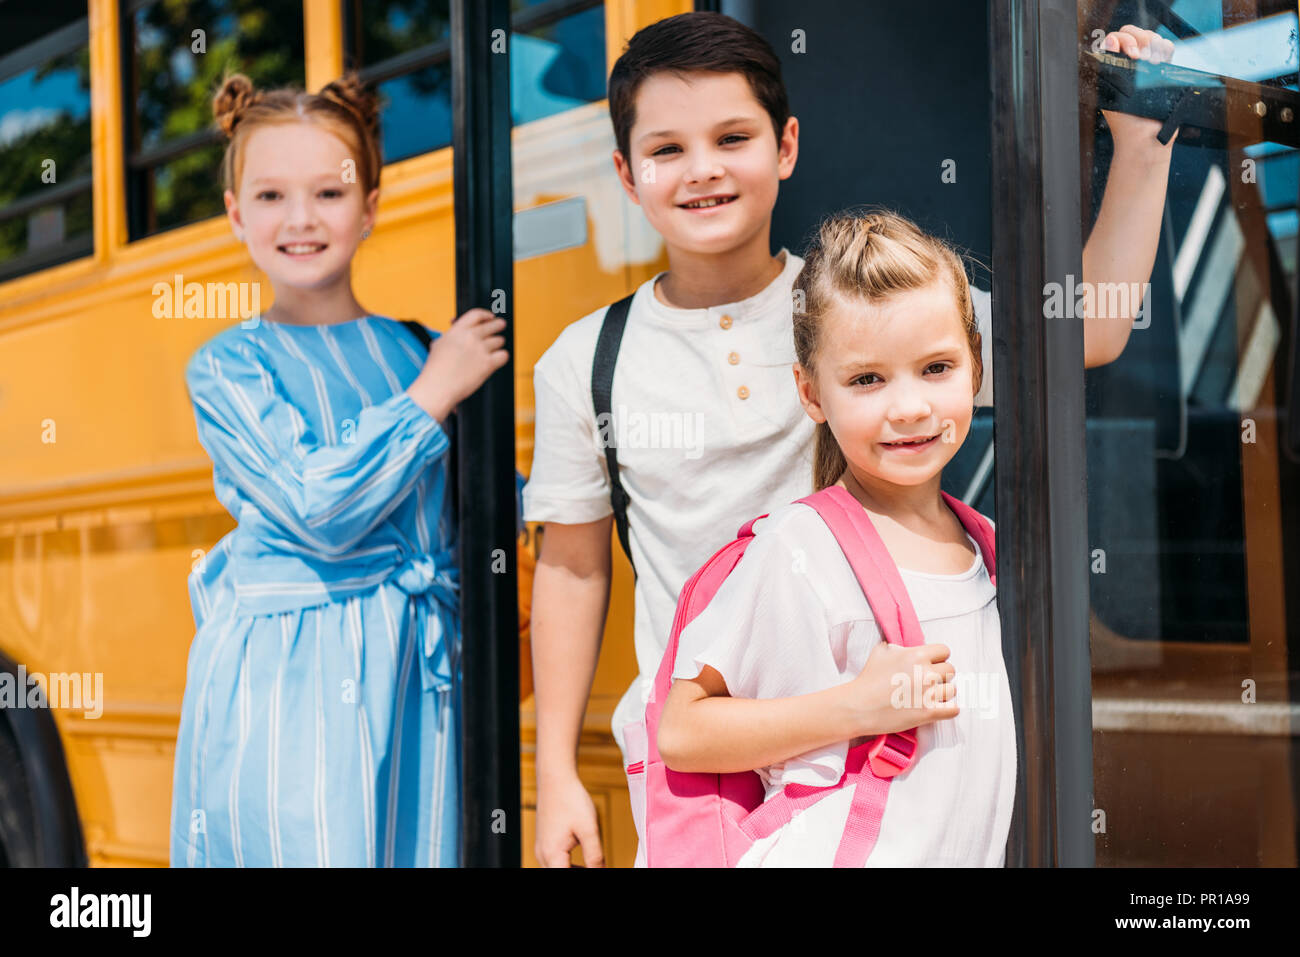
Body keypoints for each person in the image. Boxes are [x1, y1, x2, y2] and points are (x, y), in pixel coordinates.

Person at [523, 11, 1175, 867]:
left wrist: (1143, 145)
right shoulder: (587, 359)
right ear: (624, 171)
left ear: (786, 146)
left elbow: (1083, 330)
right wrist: (559, 768)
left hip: (887, 762)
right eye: (667, 149)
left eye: (732, 136)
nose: (704, 170)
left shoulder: (860, 313)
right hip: (717, 769)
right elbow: (573, 567)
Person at [169, 71, 508, 867]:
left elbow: (482, 505)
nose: (300, 219)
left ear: (371, 207)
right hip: (291, 680)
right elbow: (317, 506)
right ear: (234, 215)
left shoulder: (422, 346)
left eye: (329, 192)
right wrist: (433, 395)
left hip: (416, 666)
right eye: (270, 196)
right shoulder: (229, 366)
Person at [658, 210, 1006, 866]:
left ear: (976, 365)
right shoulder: (801, 547)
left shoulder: (987, 545)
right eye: (867, 379)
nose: (908, 406)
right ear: (811, 393)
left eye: (936, 367)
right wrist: (858, 706)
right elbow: (682, 728)